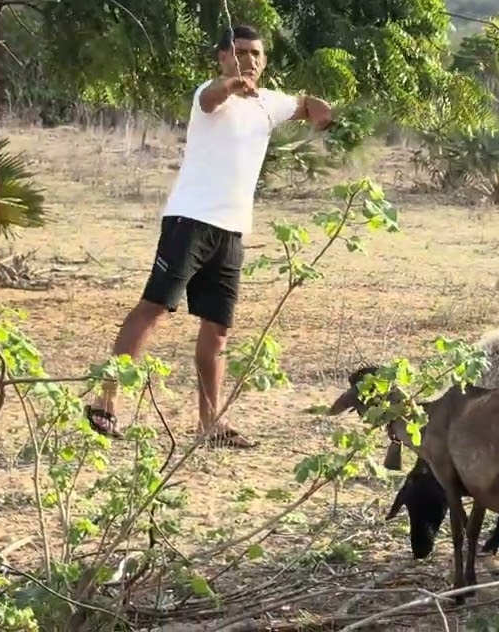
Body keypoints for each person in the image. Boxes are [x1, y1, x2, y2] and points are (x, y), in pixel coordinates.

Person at [85, 24, 333, 447]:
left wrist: (318, 108)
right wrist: (229, 84)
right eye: (239, 52)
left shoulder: (269, 104)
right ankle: (105, 401)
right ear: (222, 57)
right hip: (189, 222)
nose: (249, 60)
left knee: (217, 330)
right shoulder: (211, 96)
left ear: (265, 59)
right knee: (155, 308)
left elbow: (304, 105)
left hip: (231, 231)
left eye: (256, 53)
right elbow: (210, 97)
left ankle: (209, 424)